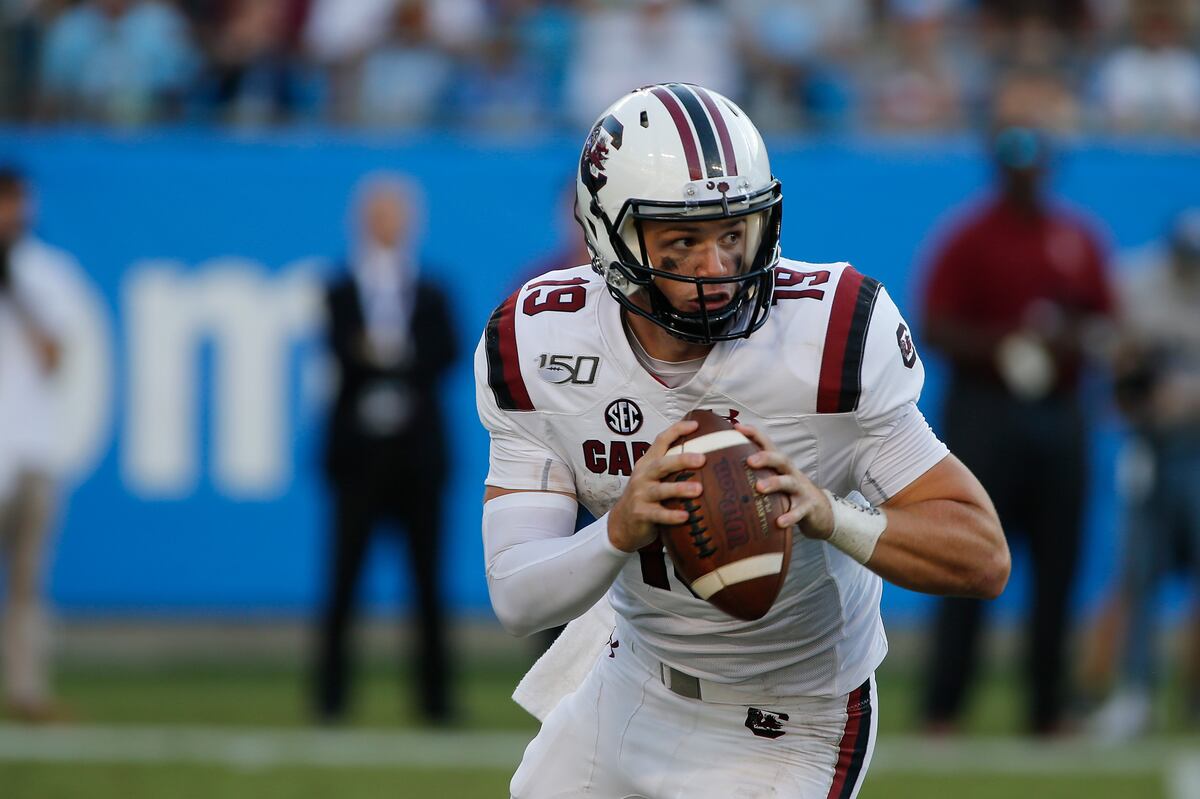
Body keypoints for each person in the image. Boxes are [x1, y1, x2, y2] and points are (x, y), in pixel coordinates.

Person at [475, 83, 1009, 798]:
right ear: (608, 237)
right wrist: (618, 529)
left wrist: (830, 514)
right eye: (683, 240)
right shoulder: (541, 341)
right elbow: (517, 593)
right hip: (628, 680)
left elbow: (982, 554)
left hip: (789, 719)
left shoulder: (831, 339)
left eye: (734, 233)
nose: (718, 267)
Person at [918, 123, 1116, 736]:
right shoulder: (970, 238)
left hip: (1059, 412)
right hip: (987, 412)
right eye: (1016, 168)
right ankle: (945, 708)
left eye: (1035, 167)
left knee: (1058, 564)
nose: (1026, 179)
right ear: (1001, 172)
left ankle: (1047, 708)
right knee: (963, 560)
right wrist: (1002, 347)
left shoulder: (1075, 238)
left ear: (1049, 170)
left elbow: (1105, 321)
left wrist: (1063, 342)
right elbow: (937, 323)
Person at [314, 173, 458, 726]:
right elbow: (341, 352)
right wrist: (389, 358)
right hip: (356, 457)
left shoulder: (432, 290)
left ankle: (435, 700)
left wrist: (384, 355)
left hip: (418, 457)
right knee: (343, 580)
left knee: (427, 585)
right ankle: (330, 698)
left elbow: (442, 354)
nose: (387, 224)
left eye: (395, 213)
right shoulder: (339, 288)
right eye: (378, 213)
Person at [1086, 208, 1200, 740]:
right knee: (1138, 571)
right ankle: (1135, 691)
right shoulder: (1137, 282)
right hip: (1150, 446)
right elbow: (1113, 356)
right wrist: (1138, 388)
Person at [0, 166, 76, 721]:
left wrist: (18, 297)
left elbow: (55, 359)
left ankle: (25, 690)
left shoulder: (44, 274)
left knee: (28, 582)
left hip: (32, 449)